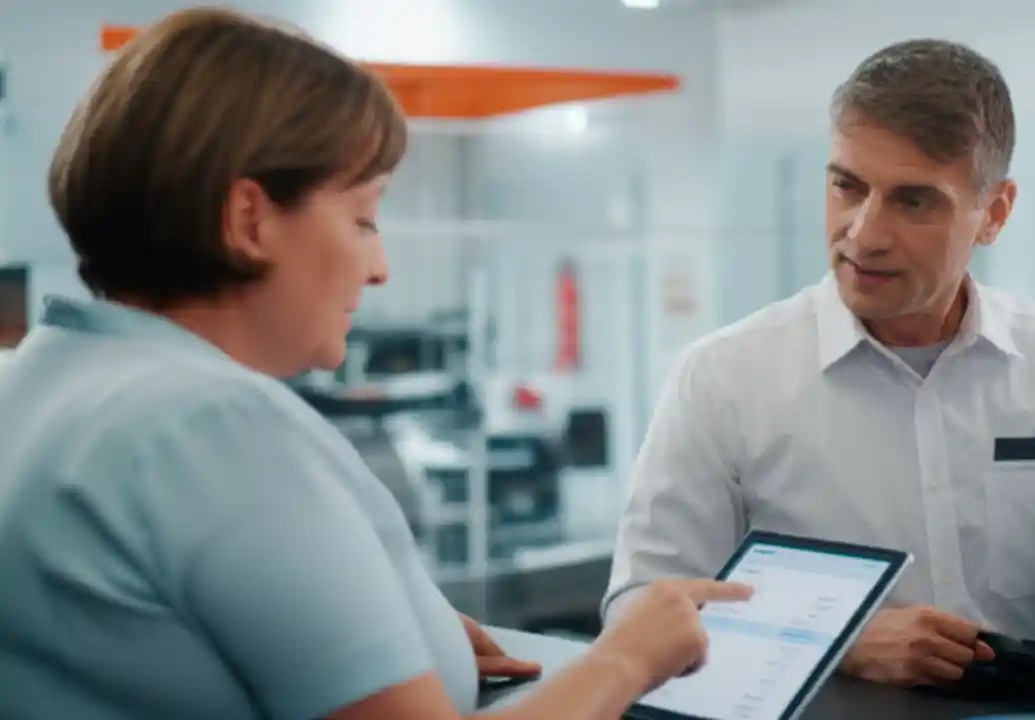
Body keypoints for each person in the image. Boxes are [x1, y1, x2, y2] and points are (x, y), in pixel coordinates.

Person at [0, 9, 750, 720]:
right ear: (248, 219)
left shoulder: (40, 376)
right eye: (363, 217)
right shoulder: (212, 425)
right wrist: (626, 656)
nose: (381, 266)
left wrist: (387, 626)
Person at [602, 38, 1035, 688]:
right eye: (847, 186)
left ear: (995, 213)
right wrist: (836, 643)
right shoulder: (723, 376)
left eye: (914, 200)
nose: (863, 234)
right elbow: (639, 611)